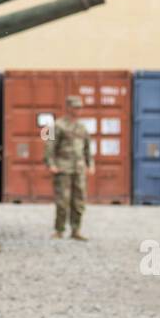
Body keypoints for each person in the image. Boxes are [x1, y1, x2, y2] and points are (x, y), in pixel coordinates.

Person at [44, 95, 94, 240]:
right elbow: (49, 146)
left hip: (78, 169)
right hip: (63, 168)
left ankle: (76, 230)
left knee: (79, 200)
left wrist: (90, 164)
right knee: (62, 201)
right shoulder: (56, 125)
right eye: (76, 107)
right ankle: (59, 230)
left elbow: (87, 147)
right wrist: (51, 164)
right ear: (68, 108)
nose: (78, 110)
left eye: (80, 107)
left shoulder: (82, 127)